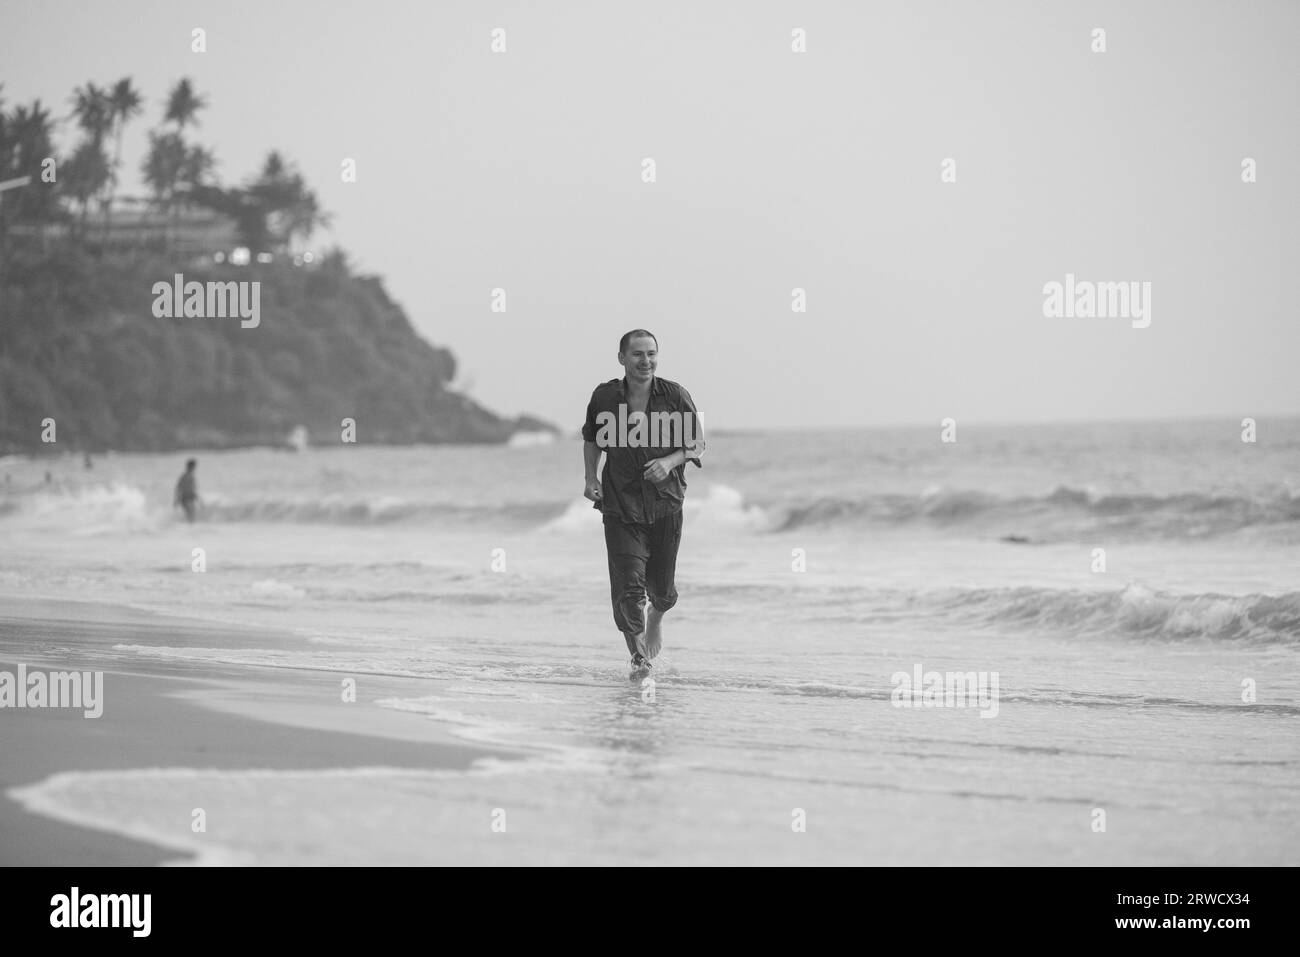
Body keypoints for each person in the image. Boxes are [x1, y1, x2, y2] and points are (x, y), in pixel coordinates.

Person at [582, 330, 705, 678]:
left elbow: (696, 444)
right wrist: (591, 478)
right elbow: (591, 439)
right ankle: (639, 659)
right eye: (637, 354)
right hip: (619, 506)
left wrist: (669, 462)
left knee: (662, 591)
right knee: (628, 587)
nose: (645, 361)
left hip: (666, 505)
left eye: (651, 354)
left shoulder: (675, 396)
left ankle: (657, 617)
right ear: (622, 358)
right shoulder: (605, 397)